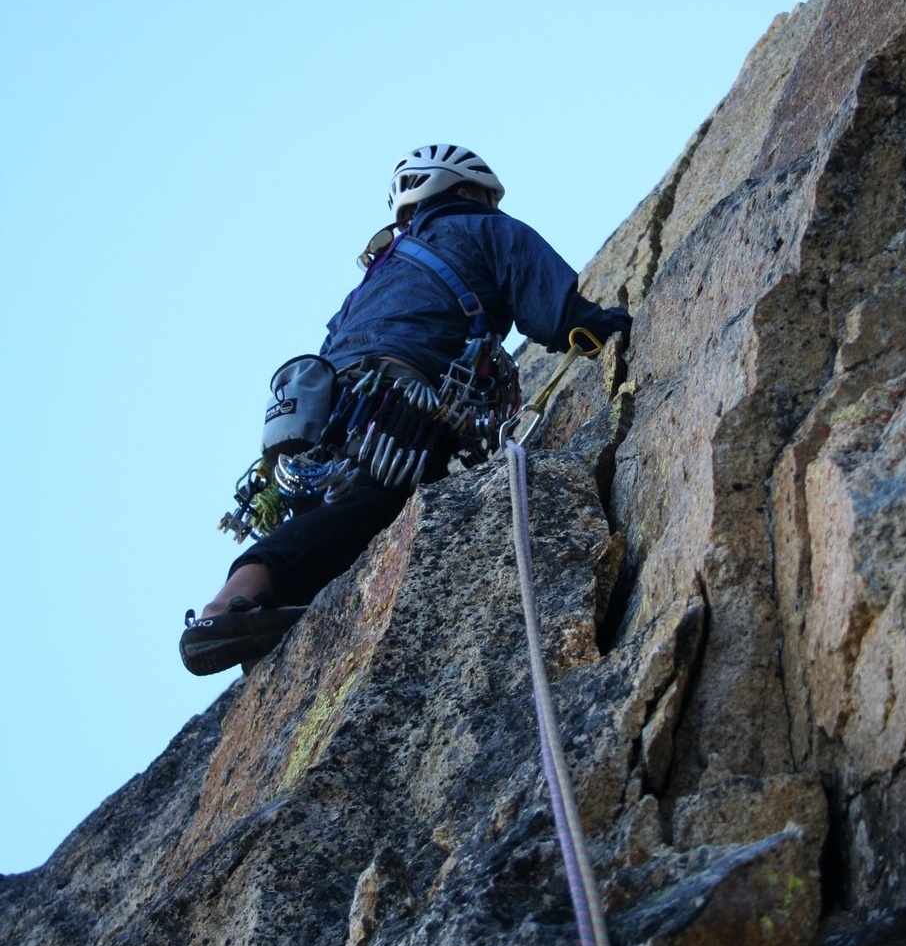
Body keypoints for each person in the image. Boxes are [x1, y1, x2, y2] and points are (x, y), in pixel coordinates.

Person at [180, 144, 631, 676]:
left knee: (331, 521)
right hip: (395, 405)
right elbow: (558, 315)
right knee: (376, 504)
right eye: (485, 197)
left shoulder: (377, 273)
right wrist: (618, 330)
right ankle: (229, 605)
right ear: (465, 190)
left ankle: (253, 625)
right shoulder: (485, 228)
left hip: (330, 412)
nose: (491, 205)